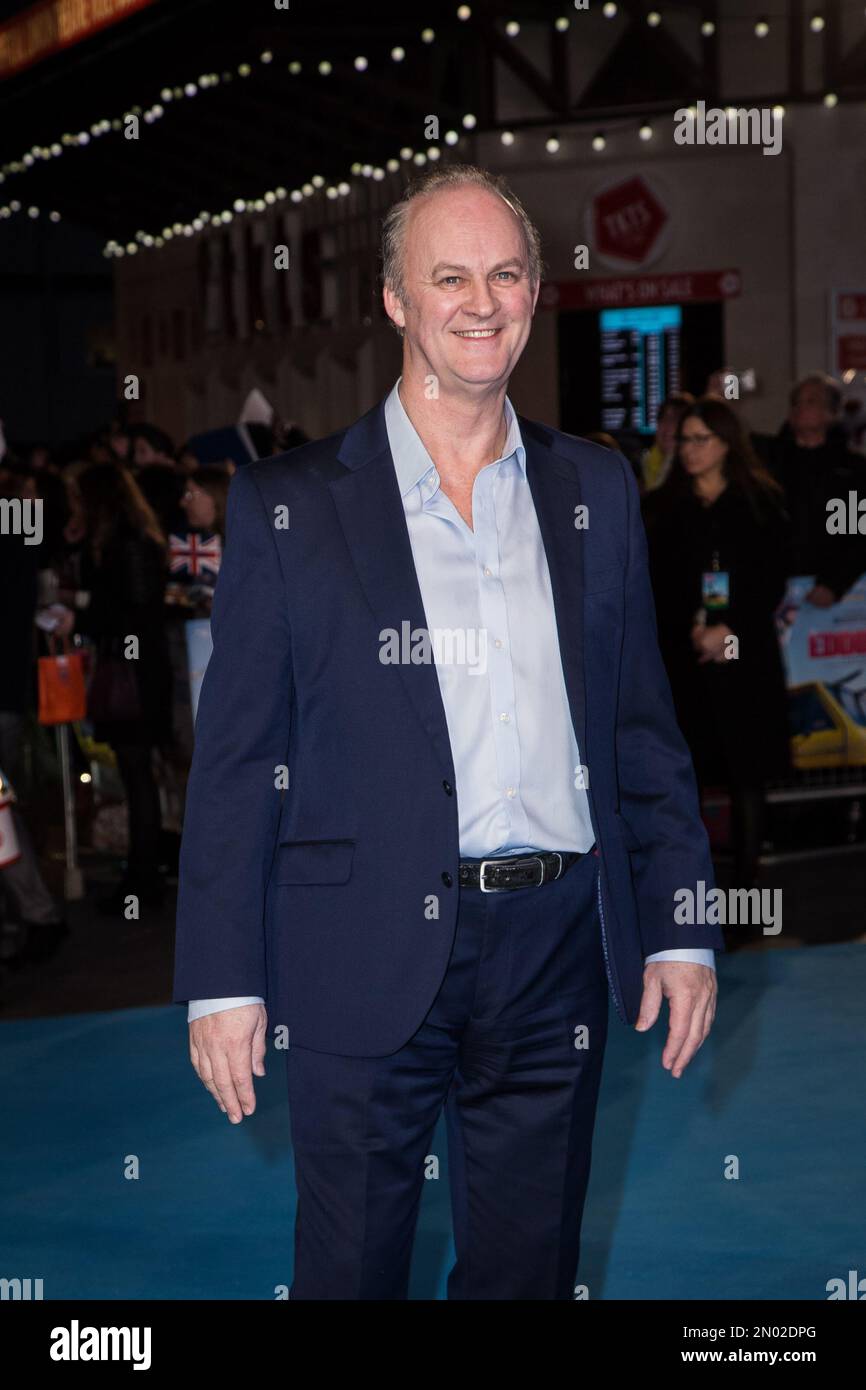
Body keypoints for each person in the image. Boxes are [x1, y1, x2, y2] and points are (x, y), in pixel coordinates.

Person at [173, 165, 723, 1301]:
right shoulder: (289, 505)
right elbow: (234, 761)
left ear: (534, 293)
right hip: (358, 943)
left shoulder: (595, 488)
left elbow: (638, 729)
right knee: (352, 1273)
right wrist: (221, 977)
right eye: (450, 277)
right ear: (394, 301)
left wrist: (681, 923)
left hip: (553, 947)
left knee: (526, 1276)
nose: (483, 302)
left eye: (507, 273)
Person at [643, 398, 791, 892]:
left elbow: (769, 579)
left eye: (700, 439)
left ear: (727, 444)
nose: (689, 450)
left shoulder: (759, 504)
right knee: (684, 777)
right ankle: (688, 890)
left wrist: (729, 628)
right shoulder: (663, 508)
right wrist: (688, 627)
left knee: (746, 773)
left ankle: (746, 891)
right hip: (683, 663)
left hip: (743, 658)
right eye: (683, 440)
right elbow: (652, 583)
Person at [69, 465, 173, 912]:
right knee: (138, 775)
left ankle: (143, 878)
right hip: (142, 669)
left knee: (137, 776)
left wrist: (86, 613)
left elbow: (133, 609)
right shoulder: (133, 538)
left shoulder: (125, 542)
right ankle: (143, 873)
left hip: (133, 674)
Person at [754, 373, 866, 607]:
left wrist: (834, 584)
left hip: (832, 595)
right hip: (773, 591)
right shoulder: (770, 462)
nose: (799, 407)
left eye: (811, 401)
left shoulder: (852, 470)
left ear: (831, 413)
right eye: (796, 402)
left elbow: (859, 535)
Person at [130, 424, 186, 538]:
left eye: (142, 451)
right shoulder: (144, 478)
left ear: (161, 452)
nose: (136, 458)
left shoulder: (177, 479)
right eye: (135, 451)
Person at [639, 392, 695, 492]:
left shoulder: (693, 473)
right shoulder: (640, 470)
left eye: (674, 420)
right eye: (662, 419)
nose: (666, 426)